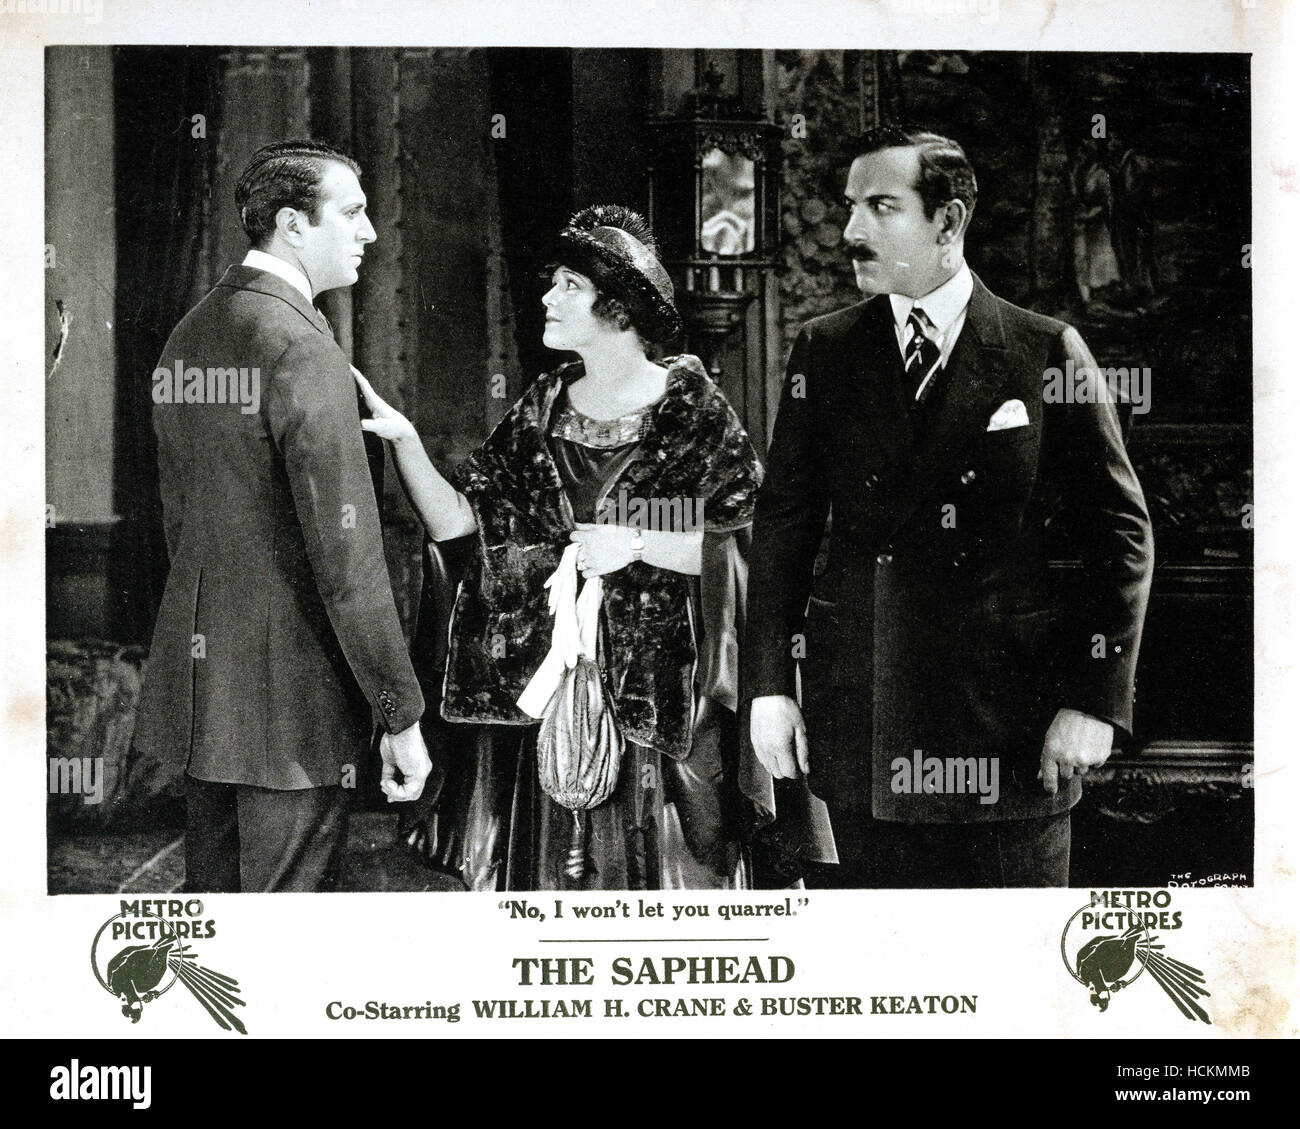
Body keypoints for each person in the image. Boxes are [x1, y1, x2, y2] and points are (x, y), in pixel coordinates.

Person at [743, 126, 1154, 888]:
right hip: (862, 726)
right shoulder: (824, 351)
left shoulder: (1044, 351)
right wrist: (769, 687)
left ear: (949, 221)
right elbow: (783, 528)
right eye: (848, 208)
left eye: (880, 206)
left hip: (1009, 734)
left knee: (1011, 975)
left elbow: (1121, 534)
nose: (851, 231)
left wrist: (1095, 700)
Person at [354, 205, 770, 891]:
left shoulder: (690, 408)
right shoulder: (543, 408)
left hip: (662, 704)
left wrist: (636, 542)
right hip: (550, 700)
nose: (546, 297)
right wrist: (405, 443)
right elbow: (467, 526)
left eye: (568, 285)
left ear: (618, 306)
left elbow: (744, 545)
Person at [133, 139, 433, 893]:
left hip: (210, 710)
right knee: (284, 953)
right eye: (354, 213)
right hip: (292, 716)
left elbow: (182, 526)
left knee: (222, 949)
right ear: (294, 225)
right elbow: (349, 561)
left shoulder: (191, 333)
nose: (369, 232)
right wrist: (399, 714)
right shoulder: (302, 347)